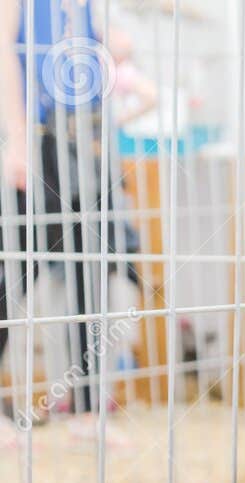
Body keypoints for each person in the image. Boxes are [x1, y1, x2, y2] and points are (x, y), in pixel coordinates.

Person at [0, 0, 145, 442]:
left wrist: (110, 45)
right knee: (17, 268)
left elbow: (102, 48)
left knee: (88, 269)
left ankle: (85, 409)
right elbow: (3, 48)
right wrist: (18, 136)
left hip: (82, 142)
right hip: (35, 136)